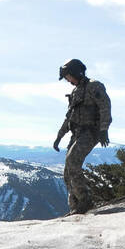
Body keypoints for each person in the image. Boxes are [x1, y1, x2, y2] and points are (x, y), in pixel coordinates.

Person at [52, 58, 111, 214]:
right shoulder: (76, 91)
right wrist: (59, 136)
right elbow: (69, 117)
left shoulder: (93, 86)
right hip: (77, 133)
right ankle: (76, 207)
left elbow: (105, 106)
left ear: (75, 73)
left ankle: (85, 201)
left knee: (73, 162)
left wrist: (104, 130)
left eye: (68, 76)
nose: (67, 80)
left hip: (90, 132)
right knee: (67, 172)